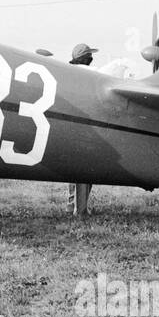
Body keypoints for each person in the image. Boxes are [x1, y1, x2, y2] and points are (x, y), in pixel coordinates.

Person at [67, 43, 98, 214]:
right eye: (90, 57)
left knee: (75, 171)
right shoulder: (90, 73)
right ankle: (80, 210)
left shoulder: (67, 72)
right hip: (84, 128)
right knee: (85, 170)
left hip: (71, 127)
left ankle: (72, 204)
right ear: (87, 59)